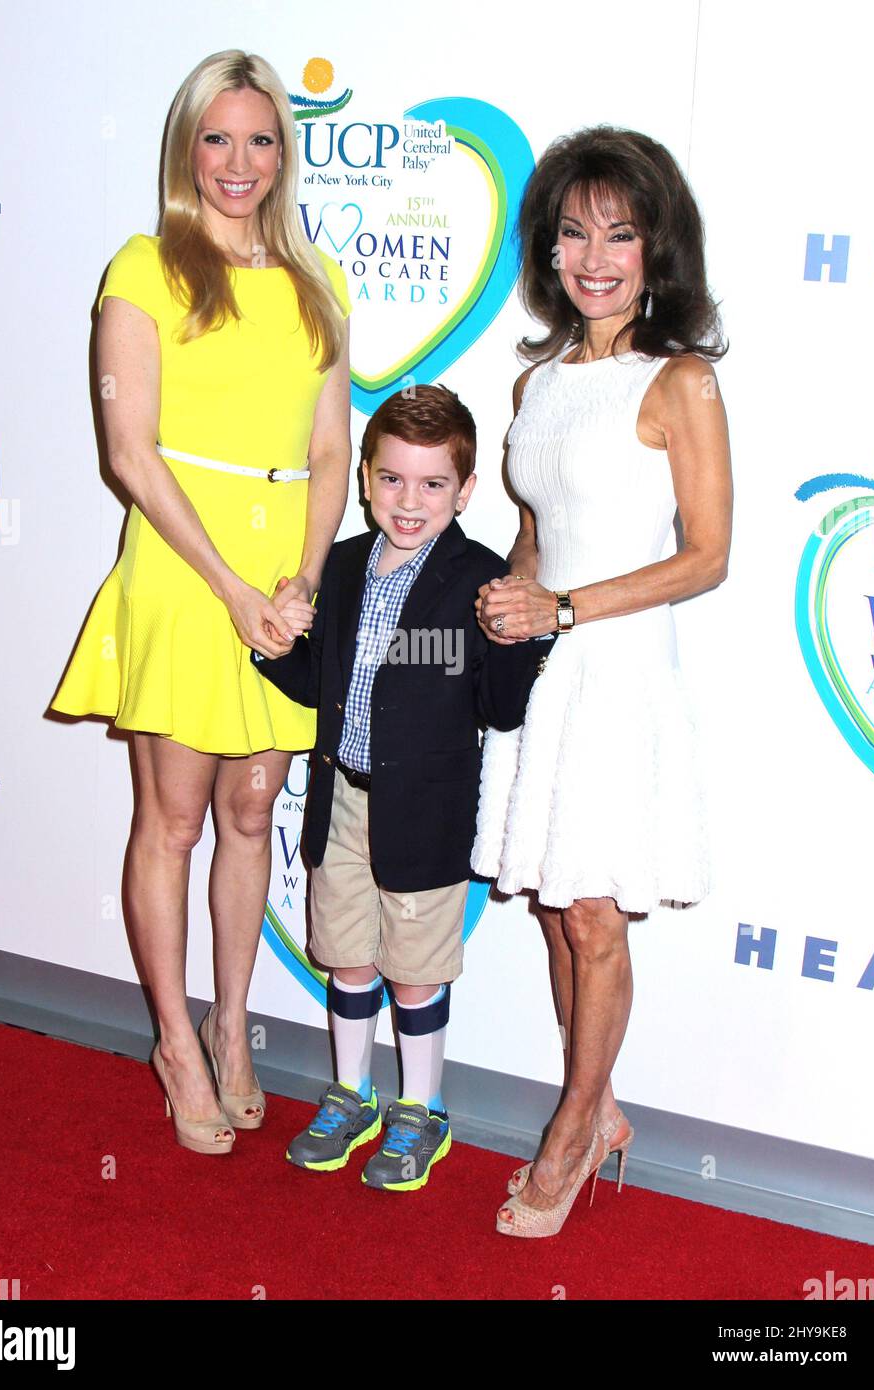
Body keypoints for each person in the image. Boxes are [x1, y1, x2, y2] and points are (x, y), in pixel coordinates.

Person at [49, 50, 352, 1154]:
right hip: (183, 577)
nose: (239, 162)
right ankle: (173, 1039)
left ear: (284, 151)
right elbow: (130, 452)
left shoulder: (318, 280)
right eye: (217, 138)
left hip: (283, 580)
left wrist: (304, 581)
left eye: (260, 139)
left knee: (247, 815)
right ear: (188, 148)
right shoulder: (146, 265)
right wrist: (227, 586)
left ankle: (235, 1028)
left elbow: (331, 447)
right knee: (172, 820)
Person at [470, 126, 733, 1235]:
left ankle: (571, 1129)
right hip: (545, 674)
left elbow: (705, 555)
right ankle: (603, 1102)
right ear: (548, 247)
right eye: (573, 231)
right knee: (550, 905)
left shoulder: (680, 382)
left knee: (591, 917)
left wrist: (567, 606)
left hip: (618, 667)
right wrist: (512, 596)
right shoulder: (537, 380)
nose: (593, 255)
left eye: (619, 233)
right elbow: (537, 529)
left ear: (655, 248)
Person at [253, 385, 555, 1191]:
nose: (408, 501)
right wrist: (274, 642)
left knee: (415, 970)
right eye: (390, 480)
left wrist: (517, 639)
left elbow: (497, 707)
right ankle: (350, 1093)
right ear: (362, 478)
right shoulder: (344, 565)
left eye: (430, 485)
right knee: (347, 961)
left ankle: (420, 1110)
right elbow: (321, 684)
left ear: (464, 491)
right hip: (339, 801)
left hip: (425, 815)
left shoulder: (480, 580)